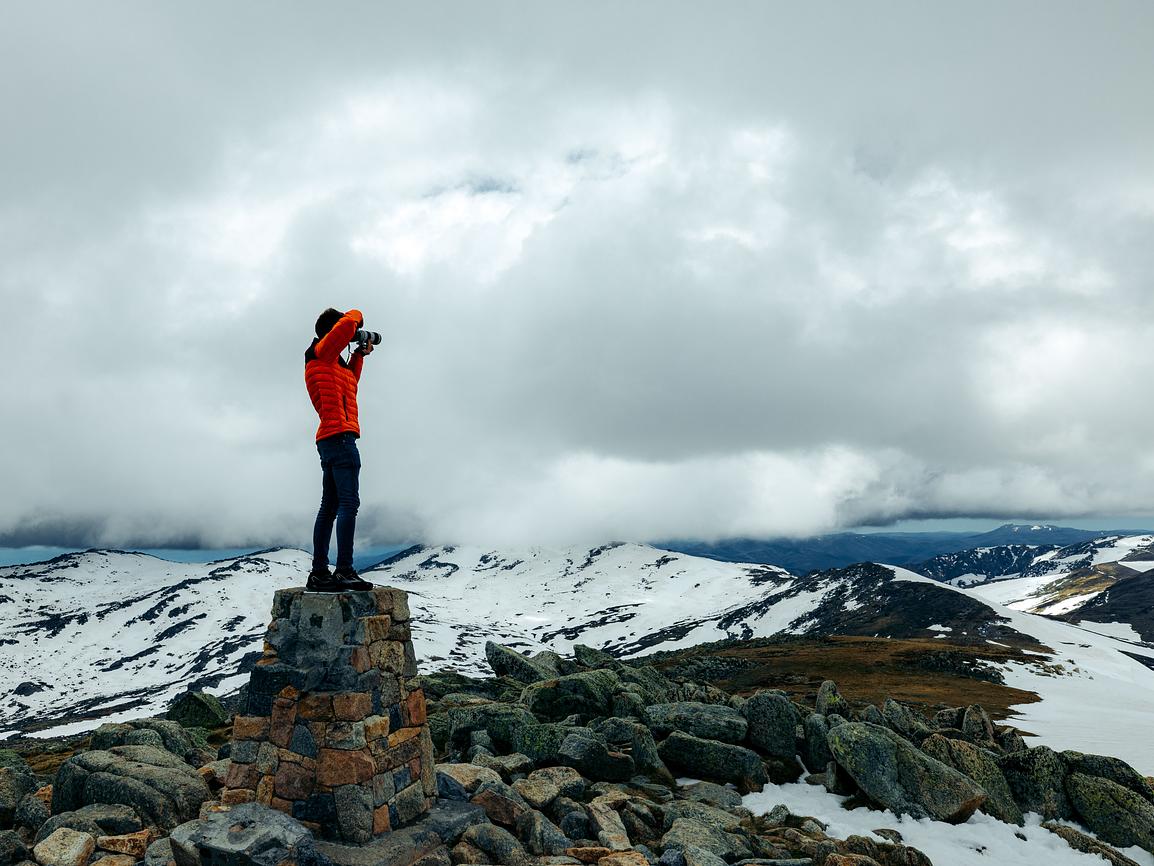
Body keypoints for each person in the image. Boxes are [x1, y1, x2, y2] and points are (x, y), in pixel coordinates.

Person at [304, 307, 375, 591]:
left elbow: (350, 386)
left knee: (330, 506)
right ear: (332, 333)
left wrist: (359, 355)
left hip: (330, 439)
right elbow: (346, 324)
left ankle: (319, 572)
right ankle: (344, 570)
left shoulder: (329, 363)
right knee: (348, 504)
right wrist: (356, 318)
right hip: (341, 438)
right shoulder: (322, 352)